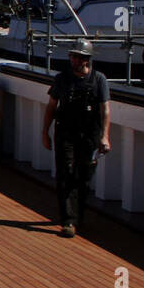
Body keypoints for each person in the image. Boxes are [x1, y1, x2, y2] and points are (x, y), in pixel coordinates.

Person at [41, 39, 110, 237]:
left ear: (86, 60)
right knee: (66, 174)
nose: (73, 60)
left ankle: (78, 215)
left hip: (90, 134)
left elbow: (105, 109)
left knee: (84, 176)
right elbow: (51, 106)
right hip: (66, 133)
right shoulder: (62, 79)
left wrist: (104, 136)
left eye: (77, 57)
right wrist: (45, 132)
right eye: (72, 56)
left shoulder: (99, 80)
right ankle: (68, 221)